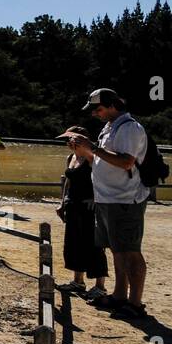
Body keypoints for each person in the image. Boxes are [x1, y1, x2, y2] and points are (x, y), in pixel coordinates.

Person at [70, 88, 149, 318]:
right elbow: (103, 160)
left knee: (131, 251)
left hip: (125, 199)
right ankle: (118, 296)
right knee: (117, 250)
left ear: (112, 105)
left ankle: (135, 304)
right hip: (107, 198)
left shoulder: (130, 128)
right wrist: (85, 152)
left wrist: (92, 148)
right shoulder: (110, 127)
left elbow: (126, 162)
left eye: (98, 109)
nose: (95, 114)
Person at [56, 125, 109, 300]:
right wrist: (62, 202)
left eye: (72, 139)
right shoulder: (71, 157)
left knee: (94, 245)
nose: (69, 142)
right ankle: (78, 281)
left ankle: (99, 286)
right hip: (73, 204)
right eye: (68, 139)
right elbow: (67, 182)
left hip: (89, 207)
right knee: (73, 243)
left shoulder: (93, 158)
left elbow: (104, 179)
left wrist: (96, 198)